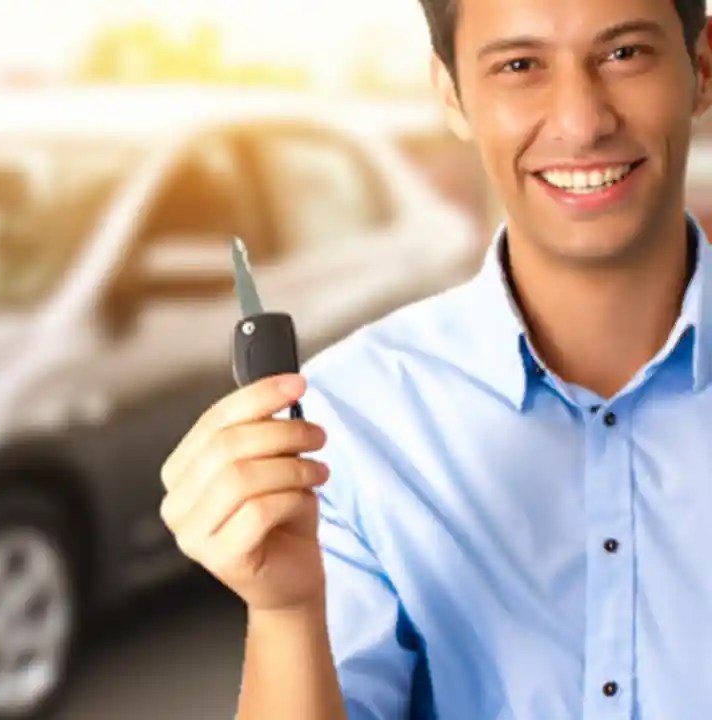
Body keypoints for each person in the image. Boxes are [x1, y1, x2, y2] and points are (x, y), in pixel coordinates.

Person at [158, 0, 712, 717]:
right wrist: (286, 612)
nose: (581, 122)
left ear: (702, 68)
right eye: (520, 65)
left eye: (624, 54)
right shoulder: (344, 425)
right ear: (452, 93)